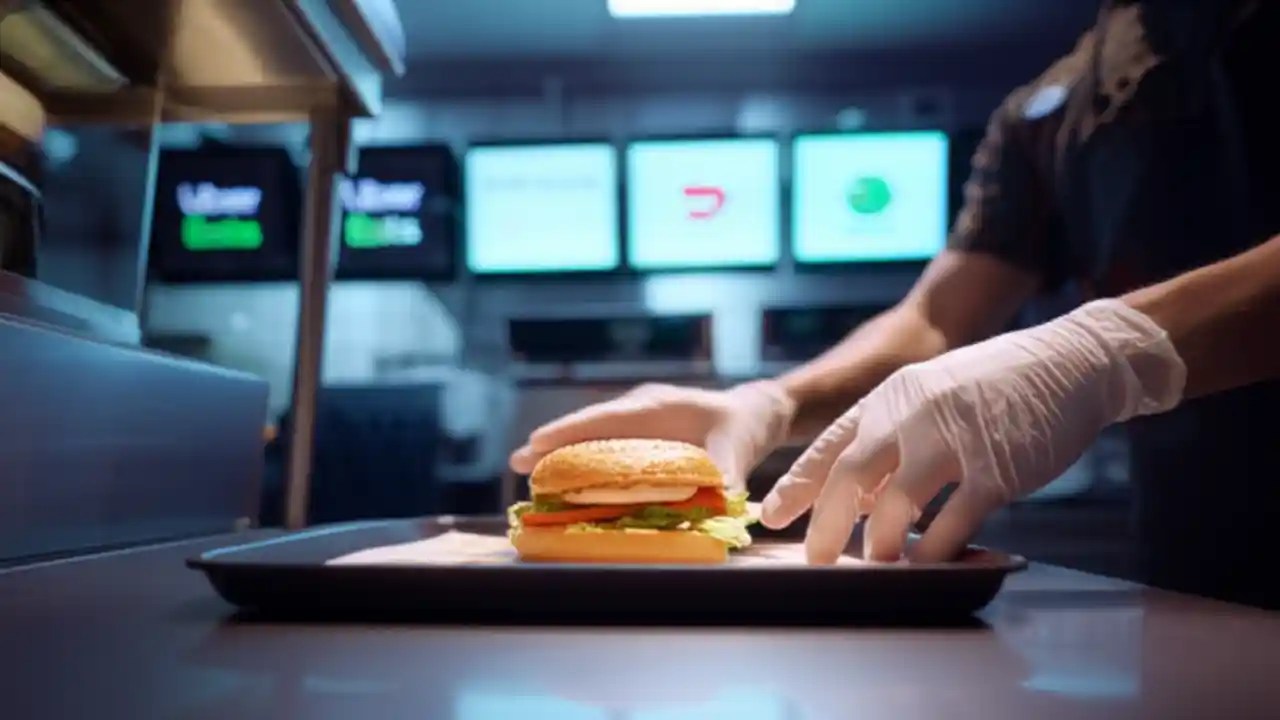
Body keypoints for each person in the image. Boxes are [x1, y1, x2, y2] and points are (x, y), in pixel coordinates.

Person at [509, 0, 1280, 609]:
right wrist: (770, 404)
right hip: (1189, 548)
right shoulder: (1053, 109)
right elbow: (937, 321)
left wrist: (1103, 352)